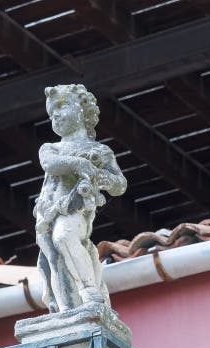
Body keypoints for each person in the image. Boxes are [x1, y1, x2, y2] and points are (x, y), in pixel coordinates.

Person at [34, 85, 127, 312]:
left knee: (64, 236)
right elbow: (51, 165)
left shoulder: (100, 151)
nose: (54, 115)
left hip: (76, 208)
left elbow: (119, 185)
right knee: (53, 262)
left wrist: (98, 177)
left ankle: (89, 290)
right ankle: (67, 309)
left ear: (83, 110)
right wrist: (80, 163)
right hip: (47, 211)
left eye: (61, 106)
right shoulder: (51, 148)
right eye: (50, 112)